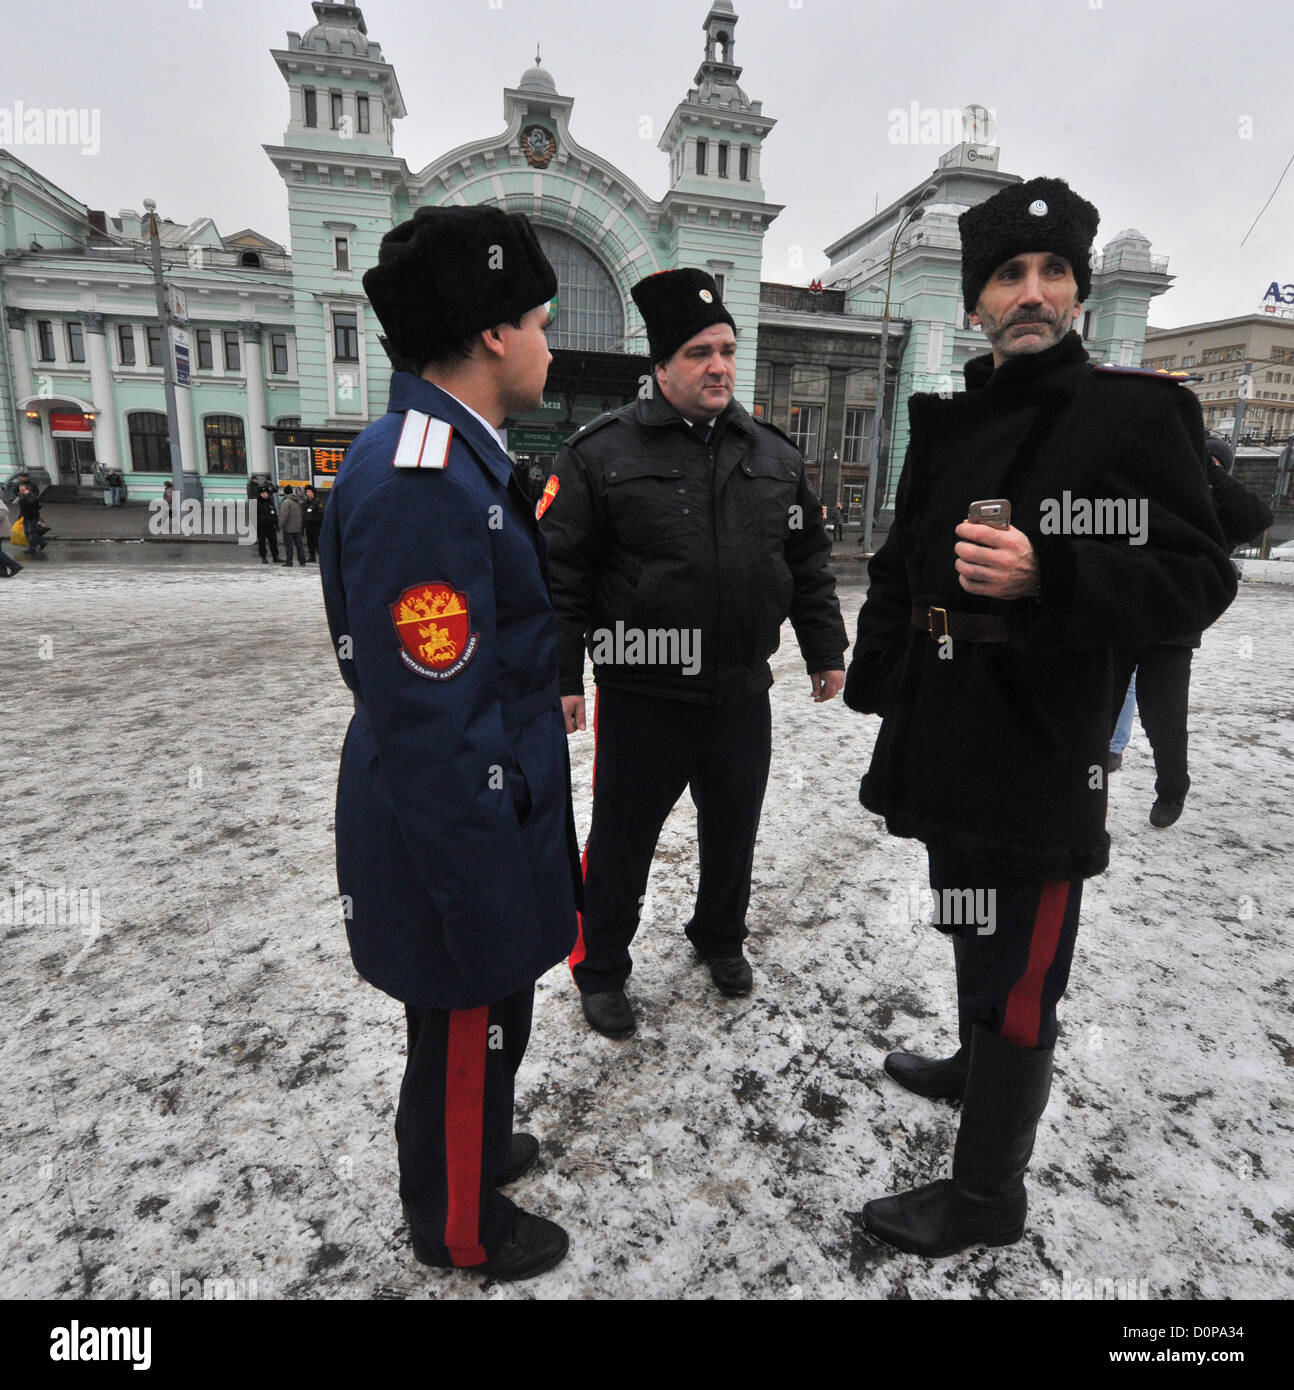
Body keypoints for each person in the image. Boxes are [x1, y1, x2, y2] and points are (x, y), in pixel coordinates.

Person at [843, 177, 1237, 1257]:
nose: (1031, 291)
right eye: (1008, 276)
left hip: (1042, 745)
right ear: (974, 303)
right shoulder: (948, 422)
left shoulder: (1132, 413)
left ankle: (985, 1197)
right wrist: (880, 674)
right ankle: (975, 1062)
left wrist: (1049, 574)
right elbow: (894, 563)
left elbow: (1198, 575)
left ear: (1076, 290)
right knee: (968, 916)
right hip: (942, 733)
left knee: (1025, 970)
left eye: (1052, 271)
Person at [319, 204, 581, 1281]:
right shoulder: (426, 478)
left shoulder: (449, 453)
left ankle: (467, 1143)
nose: (549, 344)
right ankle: (460, 1220)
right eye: (538, 320)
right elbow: (435, 721)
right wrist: (481, 883)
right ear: (490, 336)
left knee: (481, 1025)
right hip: (462, 808)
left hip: (490, 791)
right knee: (467, 1015)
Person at [542, 267, 847, 1040]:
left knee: (734, 830)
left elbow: (806, 561)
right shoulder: (600, 453)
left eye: (727, 351)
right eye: (699, 353)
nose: (719, 366)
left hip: (742, 690)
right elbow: (563, 573)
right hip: (645, 692)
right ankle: (602, 965)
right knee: (622, 842)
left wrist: (824, 648)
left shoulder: (773, 455)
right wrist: (563, 674)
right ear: (661, 367)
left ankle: (720, 936)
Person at [1107, 433, 1274, 825]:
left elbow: (1257, 518)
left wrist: (1211, 471)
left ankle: (1171, 792)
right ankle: (1083, 789)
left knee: (1164, 722)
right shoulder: (1162, 496)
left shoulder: (1218, 514)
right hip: (1120, 622)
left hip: (1172, 634)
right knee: (1095, 713)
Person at [279, 487, 306, 567]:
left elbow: (284, 516)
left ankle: (289, 562)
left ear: (285, 493)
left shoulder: (286, 502)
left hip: (288, 528)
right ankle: (302, 561)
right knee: (299, 546)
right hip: (297, 527)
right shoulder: (298, 501)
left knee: (289, 546)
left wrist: (281, 525)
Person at [17, 481, 47, 553]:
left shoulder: (31, 497)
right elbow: (22, 507)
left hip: (32, 517)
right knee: (27, 532)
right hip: (25, 517)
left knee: (31, 533)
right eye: (20, 490)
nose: (21, 491)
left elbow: (37, 505)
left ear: (27, 489)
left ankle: (32, 548)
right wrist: (20, 515)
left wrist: (26, 497)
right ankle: (41, 542)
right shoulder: (23, 497)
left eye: (22, 490)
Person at [254, 486, 280, 564]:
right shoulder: (257, 503)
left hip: (271, 526)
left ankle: (275, 556)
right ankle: (263, 557)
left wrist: (277, 524)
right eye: (263, 493)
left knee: (273, 542)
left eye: (266, 493)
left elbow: (274, 513)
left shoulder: (270, 501)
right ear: (260, 494)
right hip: (261, 527)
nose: (265, 495)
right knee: (262, 543)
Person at [300, 485, 325, 562]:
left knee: (317, 542)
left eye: (309, 492)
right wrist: (303, 525)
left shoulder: (318, 502)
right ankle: (312, 556)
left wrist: (312, 520)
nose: (307, 493)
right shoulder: (305, 503)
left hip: (316, 527)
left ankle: (322, 557)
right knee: (310, 542)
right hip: (308, 526)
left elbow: (320, 514)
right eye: (306, 492)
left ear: (313, 493)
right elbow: (303, 514)